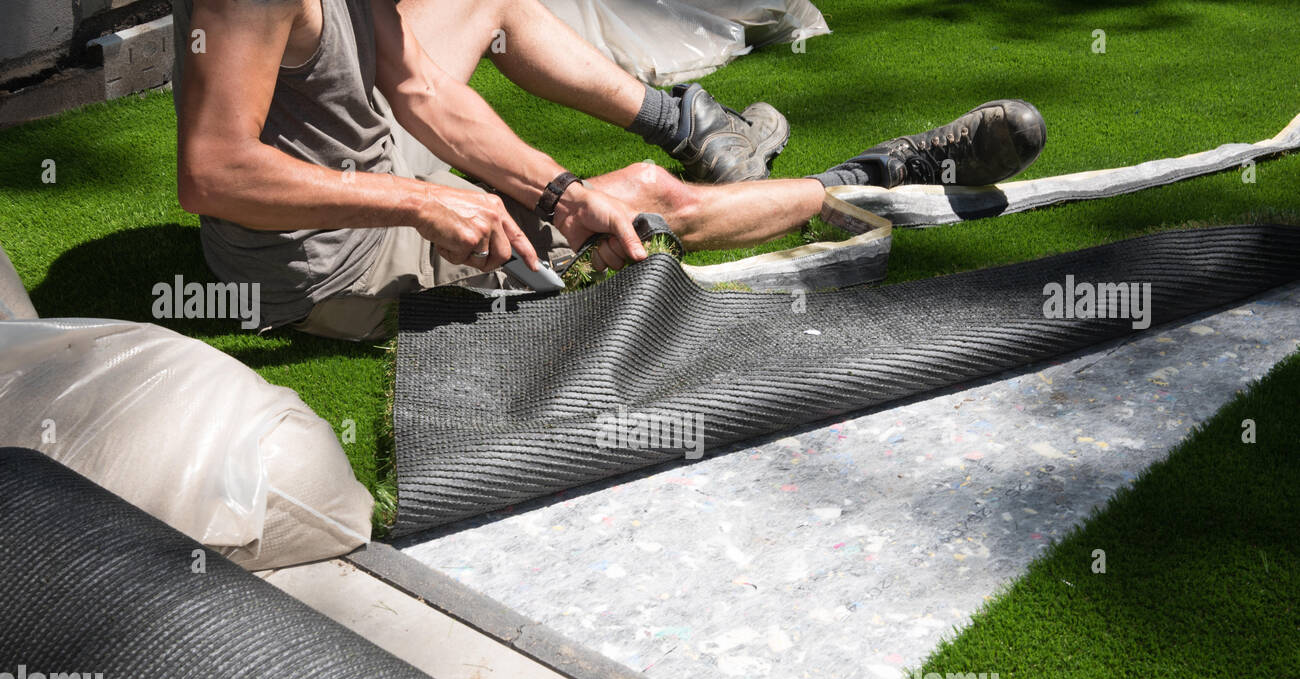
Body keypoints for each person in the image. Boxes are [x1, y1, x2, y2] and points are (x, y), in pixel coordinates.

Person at [173, 0, 1046, 341]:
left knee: (491, 4)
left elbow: (417, 90)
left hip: (357, 176)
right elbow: (211, 172)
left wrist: (557, 190)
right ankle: (875, 177)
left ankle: (700, 129)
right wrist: (415, 203)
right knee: (650, 203)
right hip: (323, 271)